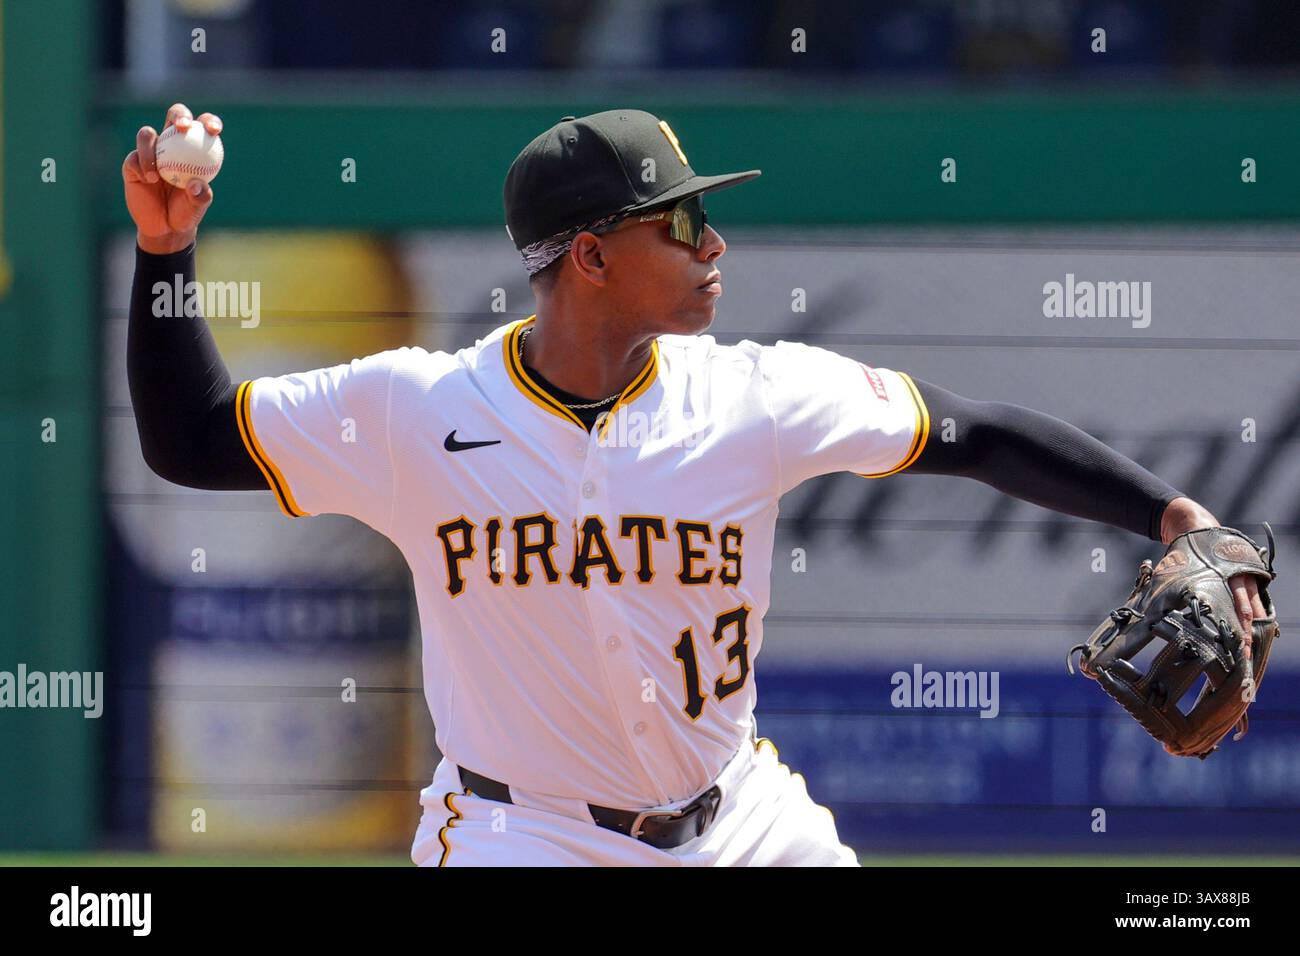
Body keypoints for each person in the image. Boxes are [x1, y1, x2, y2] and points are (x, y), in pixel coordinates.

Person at [122, 105, 1268, 866]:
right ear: (590, 254)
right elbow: (189, 439)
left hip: (741, 820)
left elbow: (973, 435)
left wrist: (1176, 514)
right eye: (681, 218)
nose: (713, 241)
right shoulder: (419, 411)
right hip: (525, 833)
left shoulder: (754, 395)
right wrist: (167, 256)